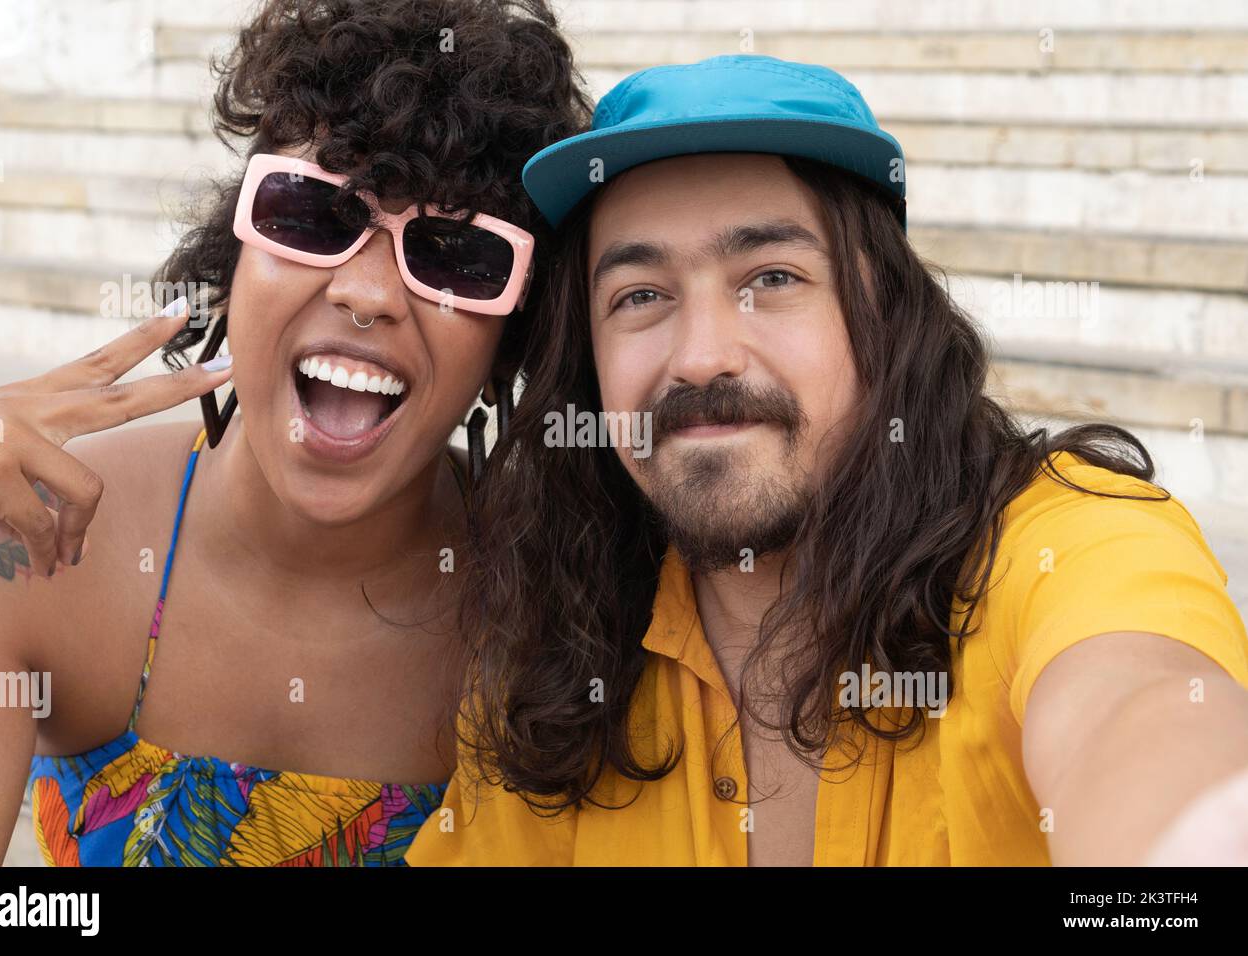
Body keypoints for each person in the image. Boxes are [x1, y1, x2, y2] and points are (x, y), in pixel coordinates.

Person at [407, 55, 1248, 866]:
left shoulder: (1068, 543)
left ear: (883, 313)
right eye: (640, 296)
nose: (702, 356)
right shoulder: (557, 647)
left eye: (771, 277)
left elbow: (1140, 710)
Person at [0, 0, 588, 866]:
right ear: (232, 249)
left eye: (454, 255)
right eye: (314, 215)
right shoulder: (37, 539)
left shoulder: (564, 599)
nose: (368, 294)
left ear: (513, 330)